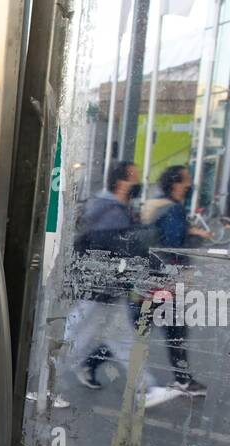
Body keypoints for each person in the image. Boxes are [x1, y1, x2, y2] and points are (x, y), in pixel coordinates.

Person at [66, 160, 180, 409]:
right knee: (76, 336)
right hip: (101, 289)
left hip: (107, 288)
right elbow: (121, 249)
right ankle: (39, 381)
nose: (139, 183)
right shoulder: (110, 212)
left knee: (121, 339)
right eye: (134, 178)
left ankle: (145, 389)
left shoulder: (110, 207)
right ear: (121, 183)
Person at [139, 165, 209, 397]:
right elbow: (173, 246)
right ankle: (183, 380)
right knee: (170, 330)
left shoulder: (158, 204)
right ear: (175, 184)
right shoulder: (173, 210)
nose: (189, 185)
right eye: (185, 180)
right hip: (166, 279)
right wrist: (195, 239)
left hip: (154, 276)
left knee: (160, 329)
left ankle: (184, 380)